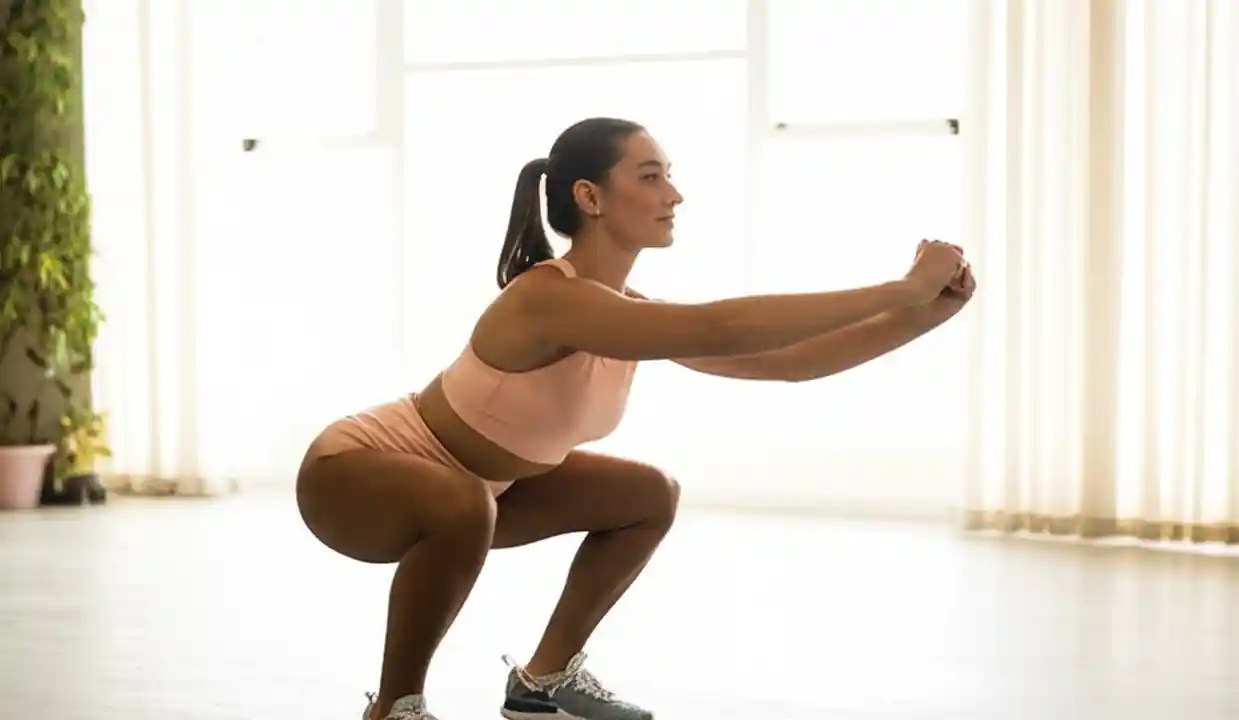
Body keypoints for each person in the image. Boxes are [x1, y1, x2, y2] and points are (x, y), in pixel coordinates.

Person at [294, 117, 976, 720]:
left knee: (647, 495)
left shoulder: (624, 307)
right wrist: (899, 288)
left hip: (481, 494)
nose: (673, 195)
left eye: (670, 177)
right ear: (589, 198)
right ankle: (395, 708)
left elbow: (784, 361)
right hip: (351, 476)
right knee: (464, 499)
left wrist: (923, 314)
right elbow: (717, 327)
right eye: (650, 177)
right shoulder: (548, 300)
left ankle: (544, 681)